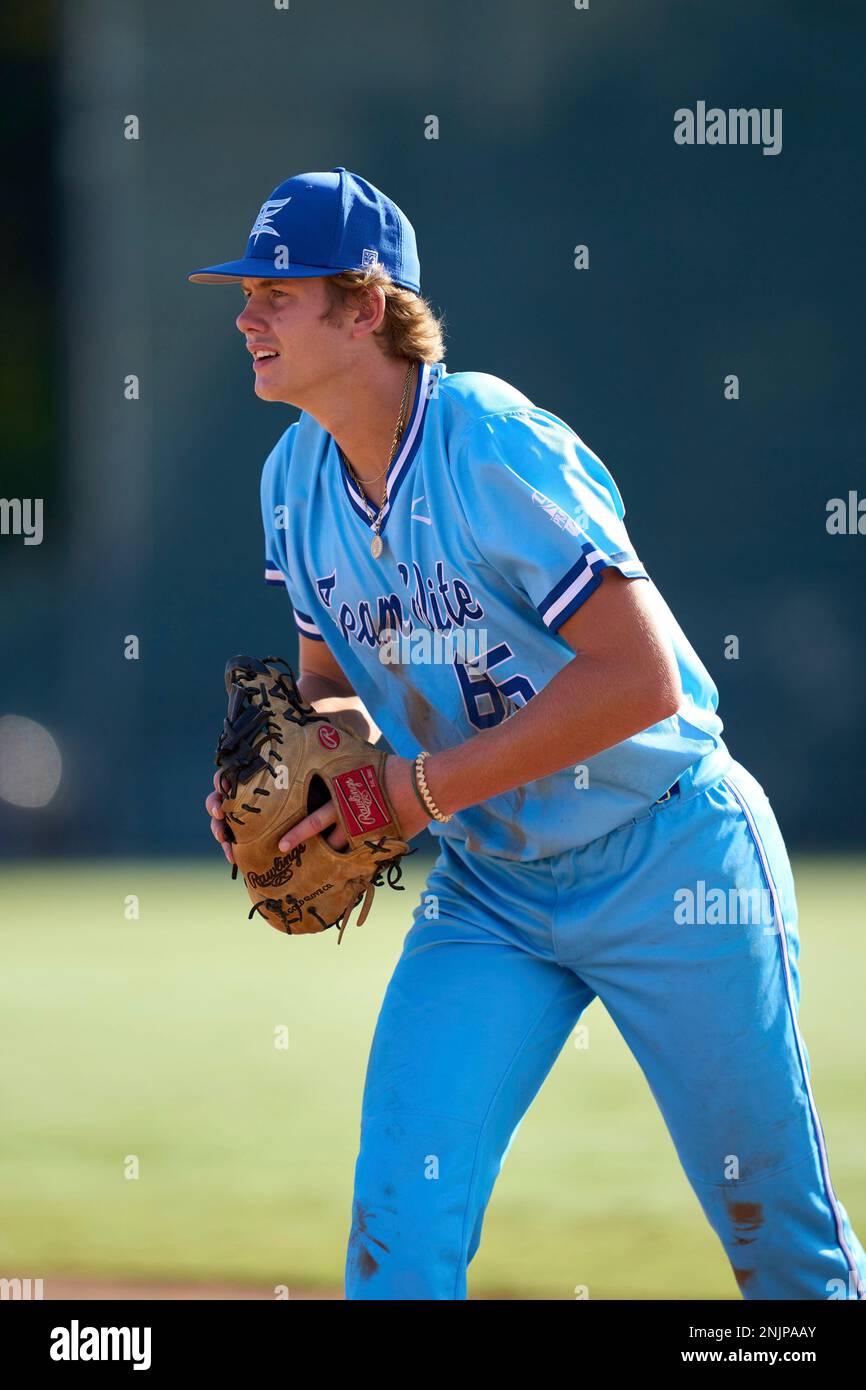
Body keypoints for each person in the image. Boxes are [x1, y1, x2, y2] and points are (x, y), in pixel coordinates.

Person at [192, 167, 865, 1301]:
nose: (247, 311)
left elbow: (642, 678)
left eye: (278, 289)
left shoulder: (489, 443)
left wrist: (412, 795)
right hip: (494, 888)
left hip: (671, 855)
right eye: (248, 289)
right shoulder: (291, 479)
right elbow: (328, 689)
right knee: (396, 1231)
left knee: (779, 1246)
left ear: (365, 305)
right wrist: (287, 778)